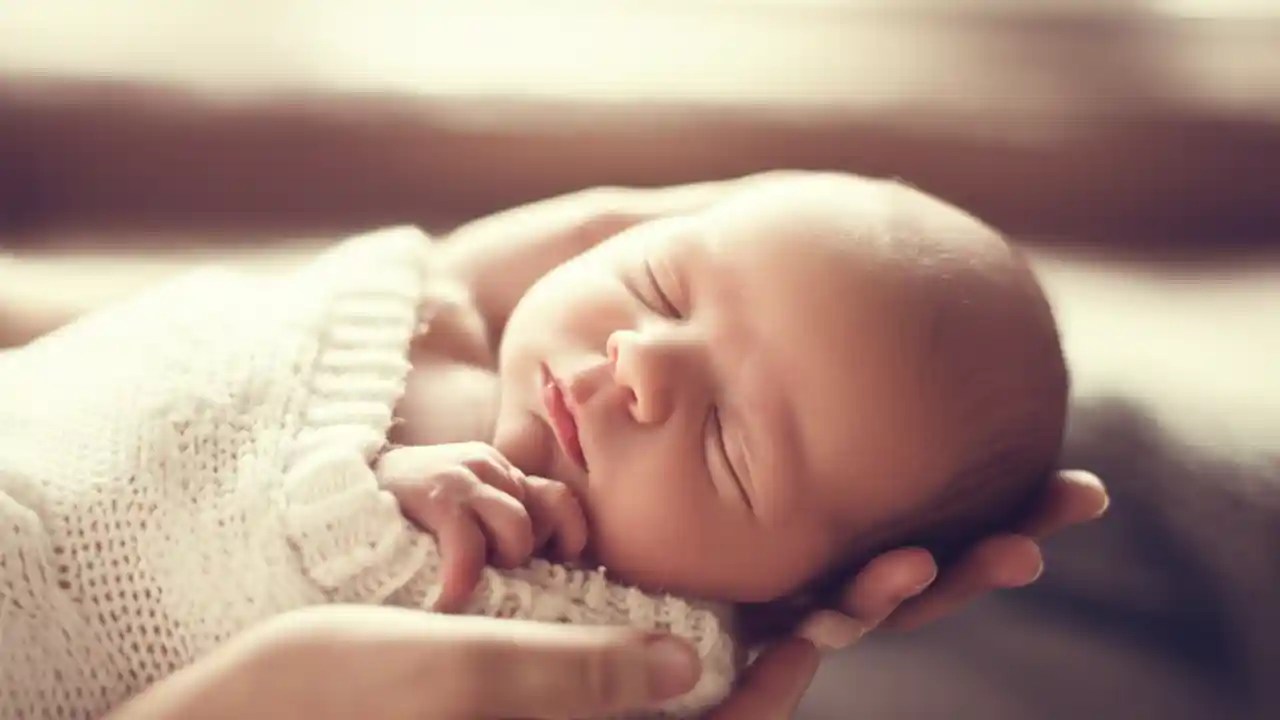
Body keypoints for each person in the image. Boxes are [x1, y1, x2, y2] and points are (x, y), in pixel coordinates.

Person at [0, 172, 1108, 719]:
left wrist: (395, 508)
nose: (640, 363)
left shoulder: (581, 650)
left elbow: (267, 555)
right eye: (659, 282)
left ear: (782, 588)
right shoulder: (407, 304)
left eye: (728, 444)